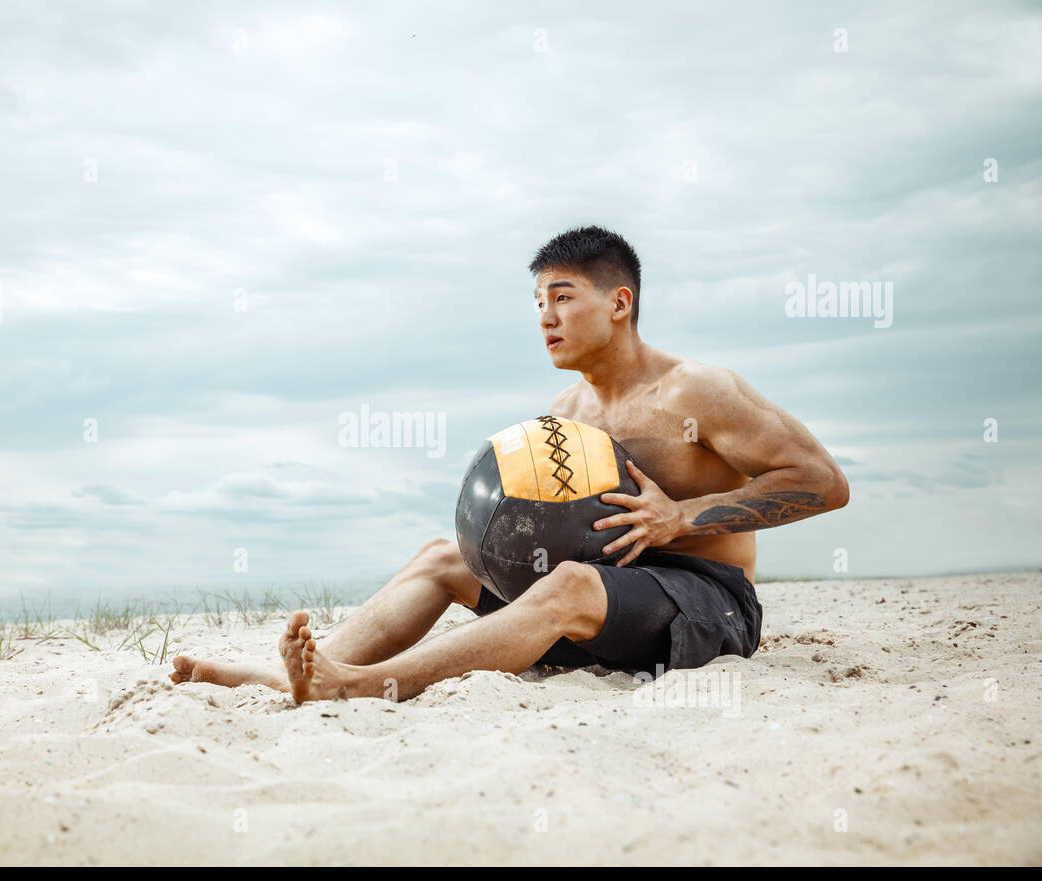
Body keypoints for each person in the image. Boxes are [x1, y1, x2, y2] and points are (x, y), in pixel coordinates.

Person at [171, 226, 849, 703]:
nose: (545, 317)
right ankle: (308, 673)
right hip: (616, 600)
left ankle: (355, 686)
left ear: (620, 303)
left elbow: (823, 481)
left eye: (562, 297)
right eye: (538, 303)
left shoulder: (698, 391)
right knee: (444, 558)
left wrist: (681, 518)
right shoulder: (567, 409)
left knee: (575, 585)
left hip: (709, 608)